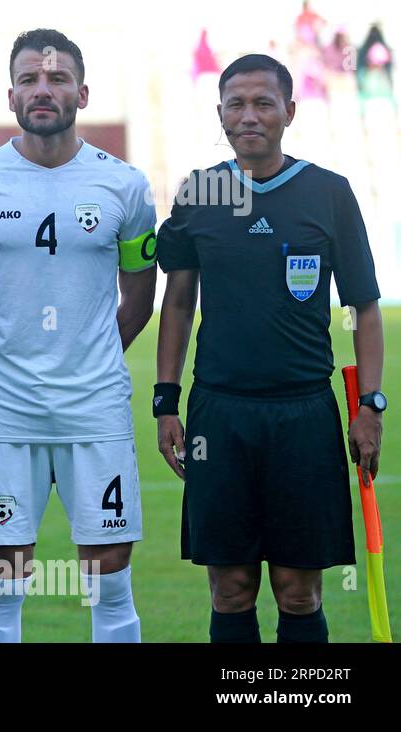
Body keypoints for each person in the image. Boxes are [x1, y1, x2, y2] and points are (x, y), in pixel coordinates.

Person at [156, 54, 384, 643]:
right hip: (219, 414)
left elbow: (363, 308)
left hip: (304, 415)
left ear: (289, 110)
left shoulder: (329, 194)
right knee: (229, 588)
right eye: (237, 103)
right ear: (221, 115)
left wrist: (371, 407)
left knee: (298, 589)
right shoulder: (199, 193)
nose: (249, 115)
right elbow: (178, 302)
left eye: (263, 103)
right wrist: (166, 402)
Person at [0, 29, 157, 643]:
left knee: (109, 572)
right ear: (10, 94)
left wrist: (88, 356)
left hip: (96, 406)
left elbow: (139, 296)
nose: (43, 90)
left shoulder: (127, 186)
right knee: (4, 576)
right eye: (30, 79)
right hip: (7, 407)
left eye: (57, 79)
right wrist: (11, 357)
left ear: (81, 93)